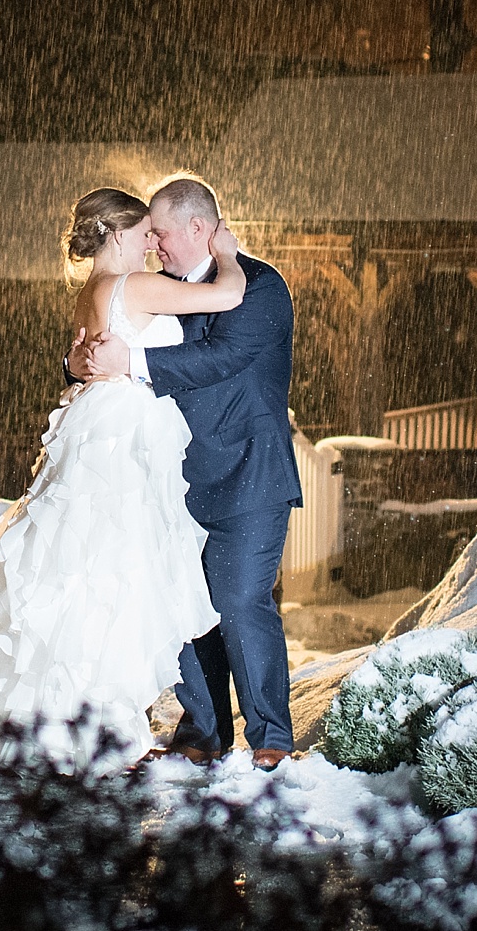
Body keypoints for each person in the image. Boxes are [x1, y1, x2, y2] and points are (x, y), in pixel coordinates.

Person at [0, 186, 243, 767]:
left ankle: (55, 719)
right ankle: (92, 728)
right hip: (122, 439)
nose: (152, 246)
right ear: (116, 235)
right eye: (143, 236)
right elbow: (228, 294)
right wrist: (228, 250)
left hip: (95, 425)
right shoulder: (132, 286)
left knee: (83, 574)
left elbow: (85, 357)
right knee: (115, 576)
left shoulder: (90, 291)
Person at [70, 175, 304, 771]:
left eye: (163, 234)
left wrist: (134, 360)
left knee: (238, 600)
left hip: (249, 475)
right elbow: (110, 327)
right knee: (181, 605)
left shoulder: (260, 287)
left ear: (199, 228)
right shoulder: (165, 286)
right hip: (173, 481)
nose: (156, 246)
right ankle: (204, 734)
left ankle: (271, 735)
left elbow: (220, 357)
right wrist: (77, 362)